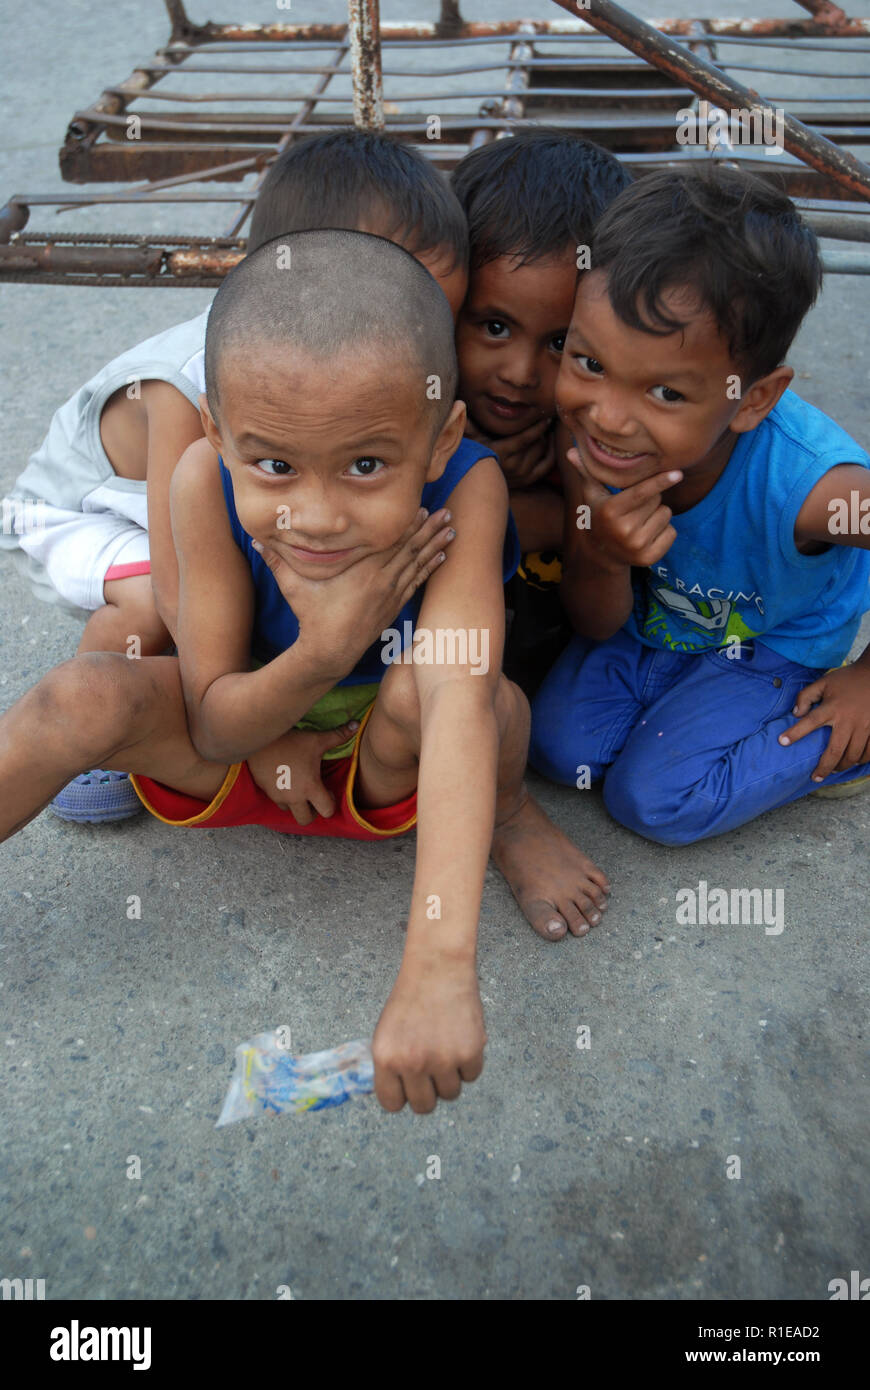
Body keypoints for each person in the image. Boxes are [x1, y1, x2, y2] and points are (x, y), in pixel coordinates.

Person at [0, 230, 611, 1114]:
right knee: (79, 693)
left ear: (440, 442)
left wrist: (438, 971)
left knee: (480, 694)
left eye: (367, 466)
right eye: (275, 466)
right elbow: (211, 721)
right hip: (241, 745)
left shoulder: (465, 490)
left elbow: (452, 702)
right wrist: (326, 647)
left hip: (388, 763)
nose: (315, 516)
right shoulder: (200, 477)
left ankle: (509, 816)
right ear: (217, 431)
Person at [0, 129, 469, 822]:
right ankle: (94, 757)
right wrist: (264, 739)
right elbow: (172, 580)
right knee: (148, 603)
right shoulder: (188, 387)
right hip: (86, 513)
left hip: (223, 496)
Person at [530, 167, 870, 844]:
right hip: (665, 626)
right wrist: (599, 548)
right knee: (557, 752)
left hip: (772, 642)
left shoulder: (810, 489)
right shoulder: (588, 442)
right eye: (588, 361)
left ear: (753, 399)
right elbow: (597, 622)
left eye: (665, 394)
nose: (607, 417)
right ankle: (688, 700)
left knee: (654, 800)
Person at [450, 130, 631, 692]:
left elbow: (596, 600)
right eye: (495, 326)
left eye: (561, 344)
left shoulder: (594, 429)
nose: (521, 373)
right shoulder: (410, 395)